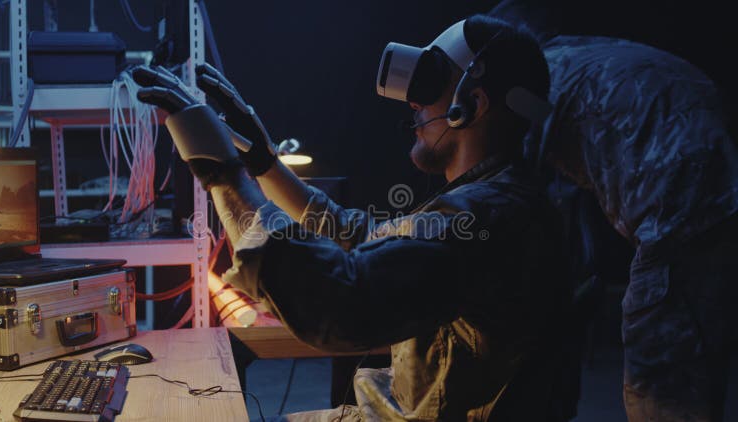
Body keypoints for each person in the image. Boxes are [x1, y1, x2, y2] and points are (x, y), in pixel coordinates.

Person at [133, 15, 570, 421]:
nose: (413, 103)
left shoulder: (485, 217)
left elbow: (341, 305)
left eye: (430, 82)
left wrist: (223, 176)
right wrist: (265, 165)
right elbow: (361, 235)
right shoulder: (501, 200)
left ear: (470, 105)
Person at [489, 2, 738, 420]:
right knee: (697, 358)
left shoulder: (535, 80)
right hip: (720, 199)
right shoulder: (595, 54)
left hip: (683, 215)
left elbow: (511, 189)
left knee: (660, 371)